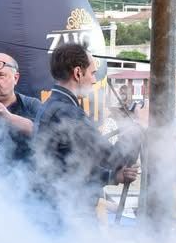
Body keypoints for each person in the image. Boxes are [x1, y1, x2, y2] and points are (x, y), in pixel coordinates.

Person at [37, 42, 138, 199]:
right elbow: (113, 159)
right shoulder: (69, 113)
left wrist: (114, 177)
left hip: (56, 204)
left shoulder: (51, 105)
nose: (94, 80)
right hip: (66, 209)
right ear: (78, 73)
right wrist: (135, 128)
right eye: (92, 73)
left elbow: (73, 165)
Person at [0, 51, 42, 164]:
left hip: (22, 178)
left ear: (15, 78)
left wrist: (9, 118)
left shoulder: (30, 105)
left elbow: (46, 132)